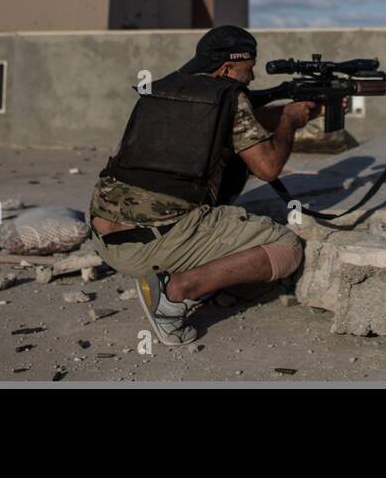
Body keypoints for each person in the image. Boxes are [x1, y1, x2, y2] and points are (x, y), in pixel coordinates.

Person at [88, 25, 319, 345]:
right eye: (247, 71)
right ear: (226, 69)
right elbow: (267, 168)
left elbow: (234, 125)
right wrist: (289, 121)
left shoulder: (161, 89)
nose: (251, 80)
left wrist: (293, 111)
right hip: (152, 244)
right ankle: (173, 294)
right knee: (286, 250)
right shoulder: (230, 97)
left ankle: (188, 278)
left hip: (105, 236)